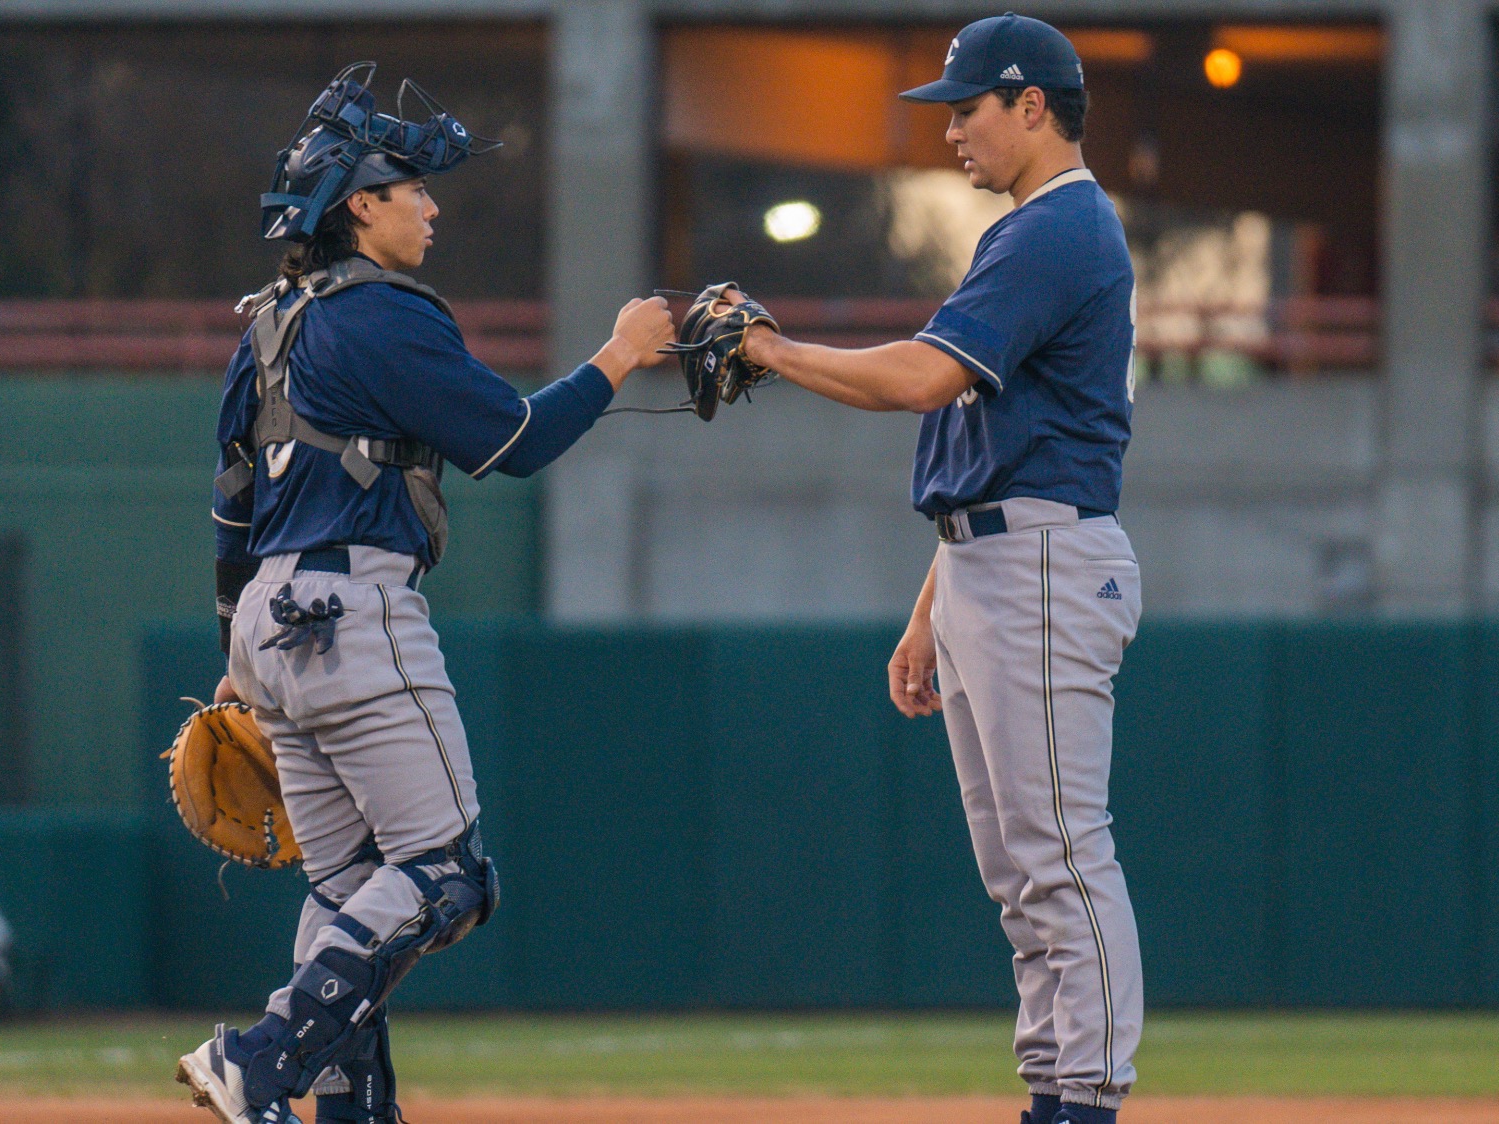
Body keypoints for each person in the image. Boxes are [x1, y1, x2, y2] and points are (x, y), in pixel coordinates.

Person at [174, 66, 674, 1124]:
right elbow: (517, 442)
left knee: (349, 890)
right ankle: (260, 1057)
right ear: (359, 203)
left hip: (267, 620)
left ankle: (348, 1109)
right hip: (351, 611)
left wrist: (233, 646)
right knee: (448, 874)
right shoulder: (382, 317)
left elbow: (229, 501)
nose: (431, 206)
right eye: (411, 189)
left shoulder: (267, 323)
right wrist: (620, 354)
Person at [729, 15, 1143, 1124]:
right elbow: (977, 445)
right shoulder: (1024, 232)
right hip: (989, 558)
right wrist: (929, 605)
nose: (949, 127)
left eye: (966, 107)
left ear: (1032, 107)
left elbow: (917, 380)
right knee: (1022, 875)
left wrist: (770, 349)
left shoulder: (1057, 229)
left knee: (1057, 855)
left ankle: (1084, 1099)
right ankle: (1055, 1090)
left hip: (1044, 559)